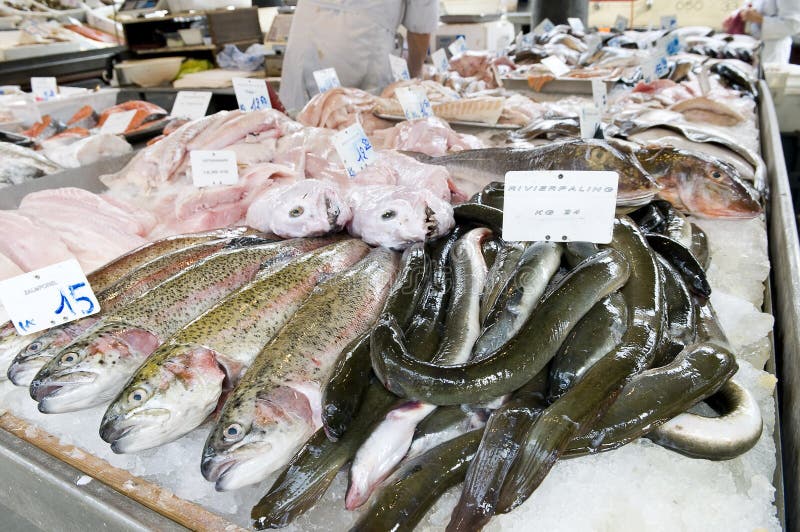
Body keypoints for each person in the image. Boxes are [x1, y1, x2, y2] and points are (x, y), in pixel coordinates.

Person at [278, 0, 438, 111]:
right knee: (345, 130)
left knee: (298, 135)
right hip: (357, 45)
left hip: (303, 34)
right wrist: (413, 77)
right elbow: (420, 30)